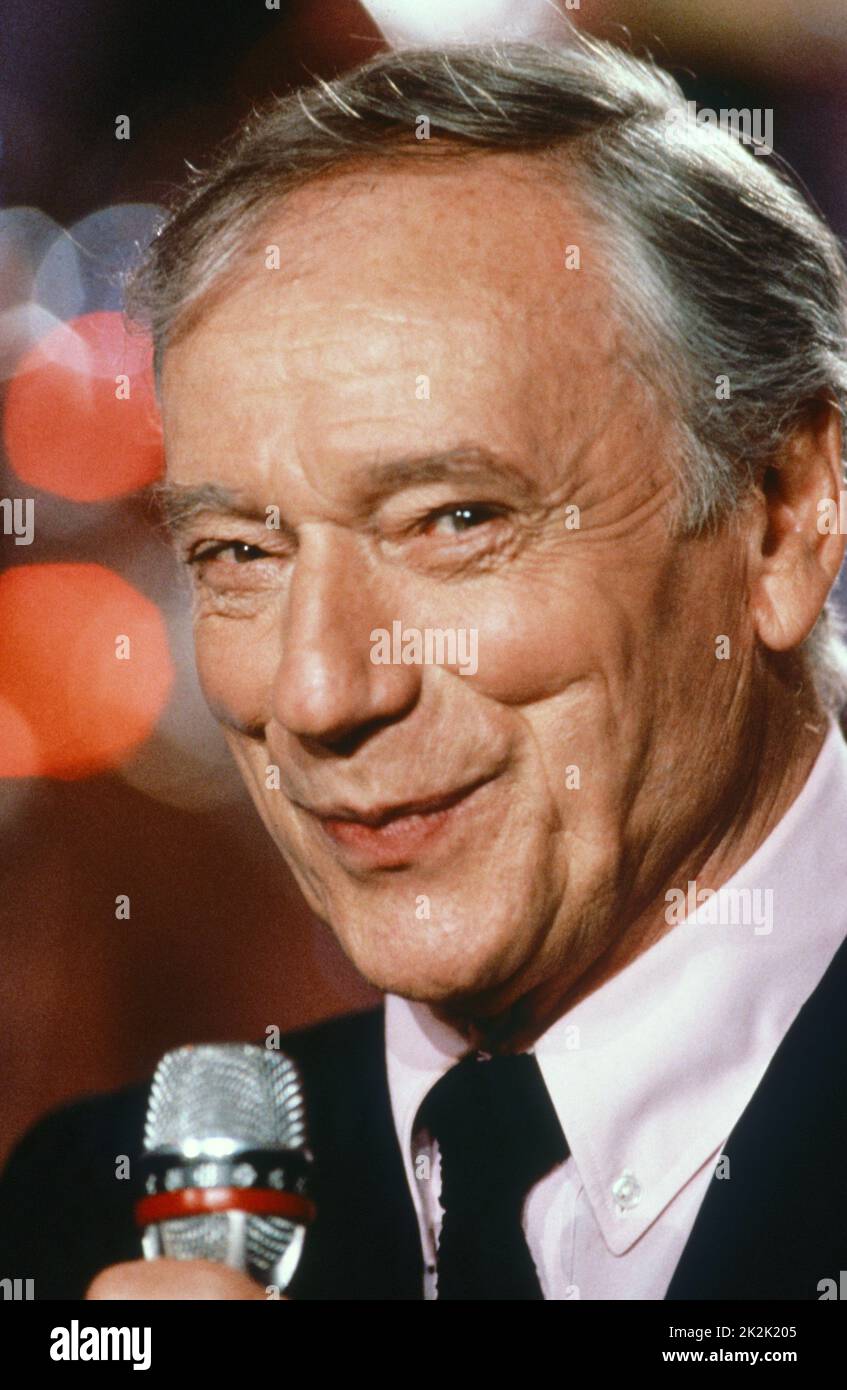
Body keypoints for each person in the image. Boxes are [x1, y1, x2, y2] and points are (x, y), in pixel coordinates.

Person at [2, 33, 847, 1301]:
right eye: (239, 550)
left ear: (780, 516)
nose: (319, 694)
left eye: (454, 520)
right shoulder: (94, 1214)